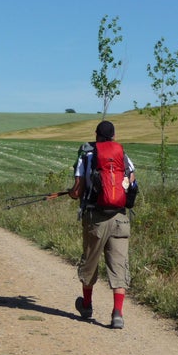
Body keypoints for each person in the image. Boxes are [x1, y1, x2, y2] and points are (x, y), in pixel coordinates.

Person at [68, 120, 135, 329]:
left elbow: (77, 191)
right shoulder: (123, 156)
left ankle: (86, 306)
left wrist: (72, 193)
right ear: (114, 136)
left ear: (96, 135)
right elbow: (131, 183)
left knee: (90, 262)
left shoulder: (87, 156)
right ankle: (117, 313)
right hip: (121, 218)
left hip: (95, 219)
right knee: (119, 265)